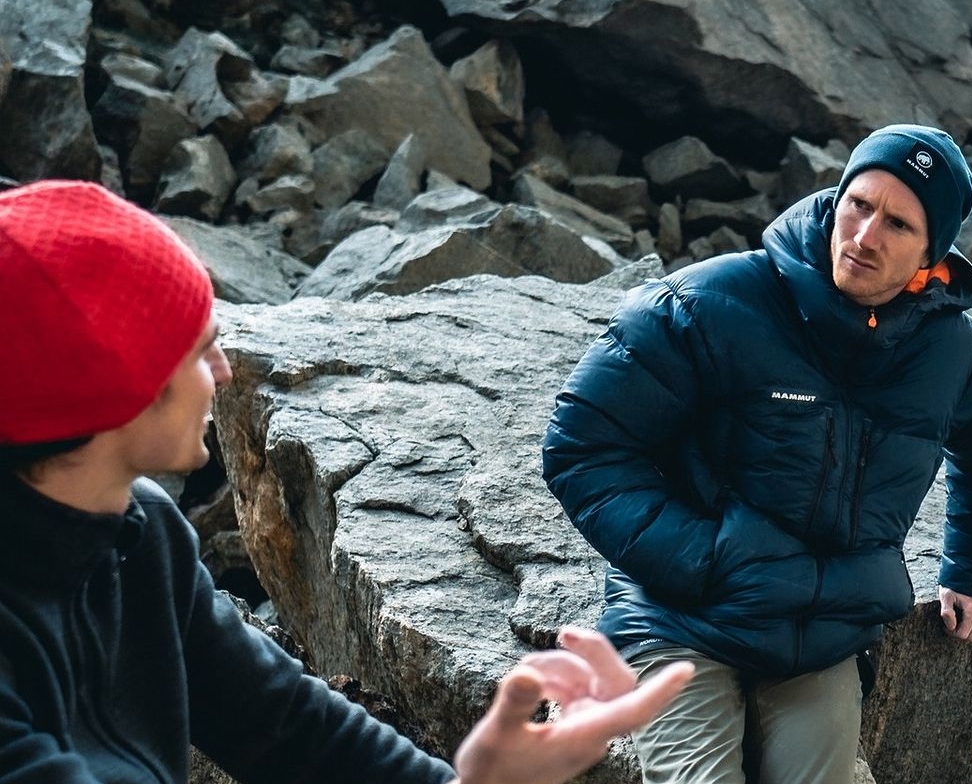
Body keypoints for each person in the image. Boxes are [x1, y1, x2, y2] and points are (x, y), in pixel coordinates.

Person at [0, 179, 694, 784]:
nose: (225, 370)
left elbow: (289, 725)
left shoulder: (142, 529)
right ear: (112, 389)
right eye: (197, 346)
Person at [542, 124, 972, 784]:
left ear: (932, 254)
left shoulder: (962, 356)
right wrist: (701, 557)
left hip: (824, 632)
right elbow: (582, 444)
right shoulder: (709, 303)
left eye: (898, 224)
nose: (865, 236)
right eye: (859, 205)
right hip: (680, 617)